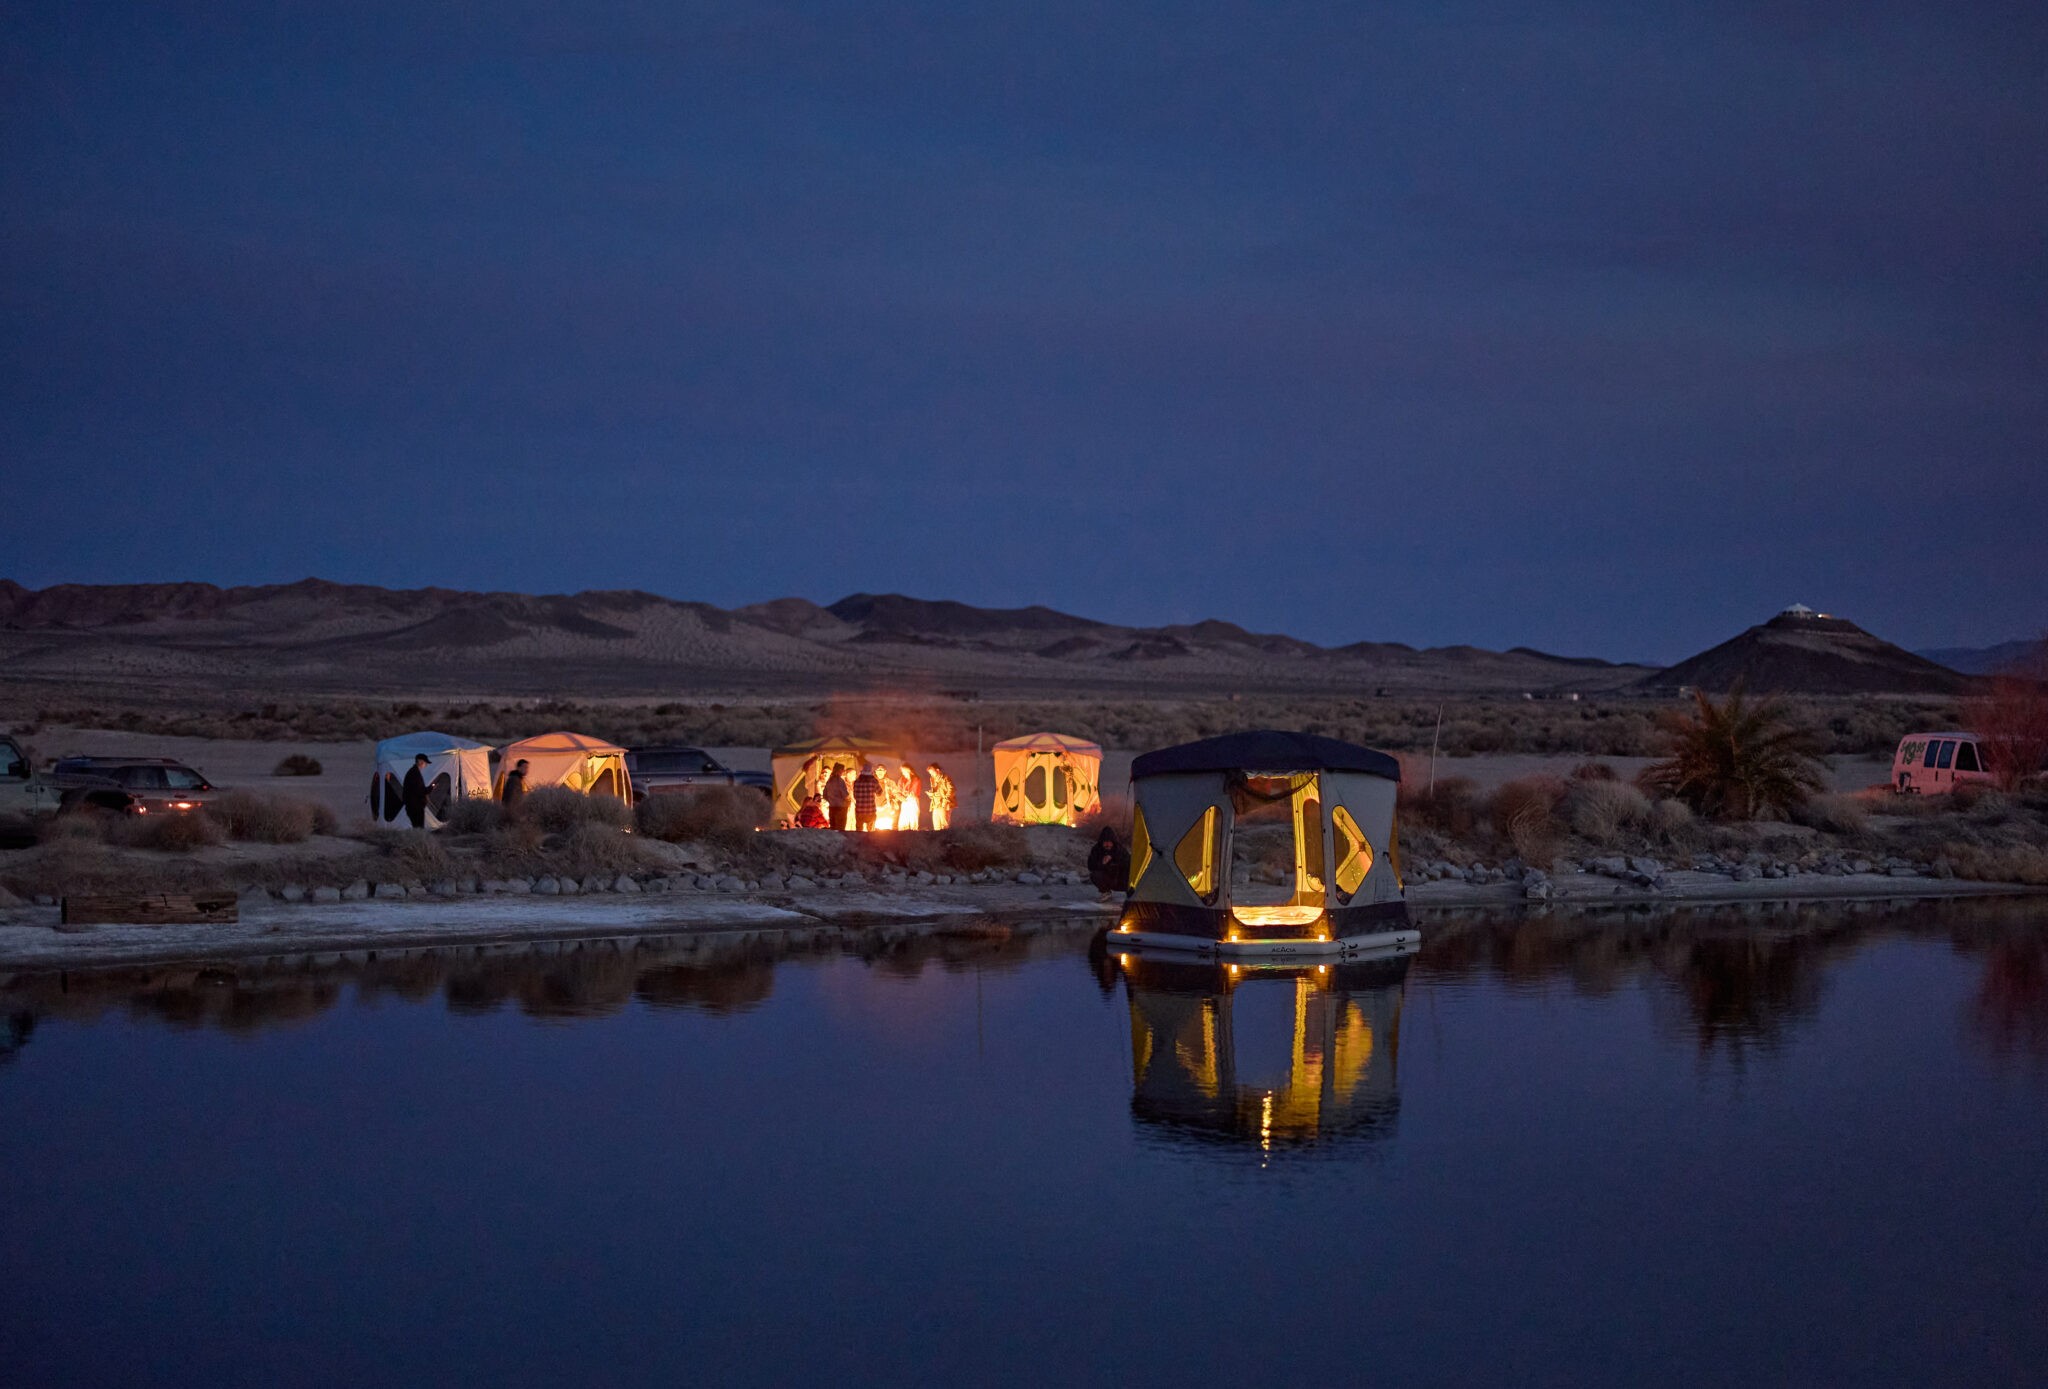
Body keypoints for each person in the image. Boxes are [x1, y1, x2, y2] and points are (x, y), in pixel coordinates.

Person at [1087, 827, 1131, 902]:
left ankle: (1130, 894)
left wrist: (1114, 860)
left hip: (1120, 879)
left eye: (1110, 842)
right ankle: (1105, 892)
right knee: (1094, 875)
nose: (1107, 845)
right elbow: (1090, 865)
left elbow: (1129, 862)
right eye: (1105, 842)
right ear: (1102, 842)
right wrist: (1102, 863)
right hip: (1107, 878)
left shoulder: (1119, 849)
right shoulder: (1096, 849)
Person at [401, 752, 433, 829]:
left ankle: (418, 839)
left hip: (414, 806)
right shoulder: (414, 774)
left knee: (417, 828)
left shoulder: (414, 772)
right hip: (415, 807)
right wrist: (430, 788)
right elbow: (420, 791)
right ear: (420, 761)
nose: (426, 765)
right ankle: (419, 840)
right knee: (419, 828)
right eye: (425, 763)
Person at [852, 761, 882, 833]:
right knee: (870, 831)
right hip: (870, 810)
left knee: (859, 831)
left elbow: (855, 795)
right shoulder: (873, 781)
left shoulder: (857, 781)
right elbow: (879, 792)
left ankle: (858, 842)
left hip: (859, 811)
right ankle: (869, 843)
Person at [925, 763, 954, 831]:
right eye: (930, 773)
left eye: (932, 772)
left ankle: (945, 839)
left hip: (944, 804)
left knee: (944, 824)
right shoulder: (932, 779)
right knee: (936, 824)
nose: (931, 774)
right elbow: (935, 790)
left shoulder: (945, 778)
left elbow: (952, 789)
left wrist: (946, 800)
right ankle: (937, 838)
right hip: (936, 804)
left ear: (937, 770)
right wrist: (931, 794)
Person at [824, 764, 851, 831]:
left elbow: (824, 795)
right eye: (843, 770)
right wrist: (849, 798)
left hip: (832, 808)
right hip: (841, 808)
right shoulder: (840, 781)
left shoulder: (829, 781)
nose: (843, 772)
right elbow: (845, 794)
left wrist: (830, 800)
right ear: (840, 770)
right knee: (841, 828)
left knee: (833, 827)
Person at [897, 764, 922, 830]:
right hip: (905, 802)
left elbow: (915, 791)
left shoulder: (916, 779)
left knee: (913, 820)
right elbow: (898, 792)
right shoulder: (901, 780)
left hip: (913, 802)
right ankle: (903, 834)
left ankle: (913, 833)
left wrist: (909, 794)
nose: (903, 773)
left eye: (904, 771)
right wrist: (902, 797)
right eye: (902, 771)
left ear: (909, 770)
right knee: (904, 821)